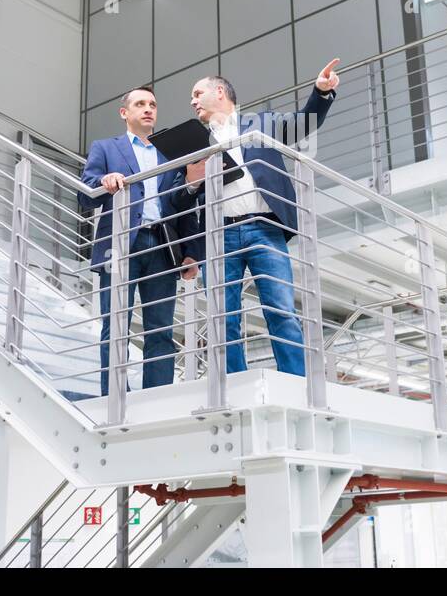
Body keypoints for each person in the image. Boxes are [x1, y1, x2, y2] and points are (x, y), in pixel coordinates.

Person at [179, 59, 340, 377]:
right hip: (219, 235)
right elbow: (181, 194)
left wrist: (320, 92)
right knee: (223, 317)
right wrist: (191, 180)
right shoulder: (196, 146)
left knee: (280, 309)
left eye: (198, 93)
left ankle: (296, 382)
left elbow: (303, 124)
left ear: (220, 92)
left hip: (264, 227)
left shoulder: (261, 124)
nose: (193, 101)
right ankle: (235, 384)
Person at [78, 86, 197, 395]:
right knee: (116, 327)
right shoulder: (105, 148)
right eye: (140, 104)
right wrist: (104, 182)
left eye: (153, 104)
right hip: (120, 246)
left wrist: (191, 252)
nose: (148, 109)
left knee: (161, 330)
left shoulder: (171, 152)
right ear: (124, 113)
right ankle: (114, 397)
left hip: (163, 247)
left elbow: (183, 204)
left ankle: (157, 397)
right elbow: (84, 194)